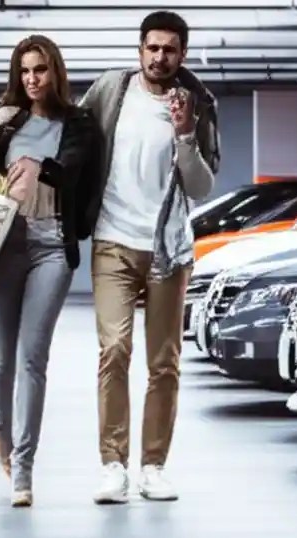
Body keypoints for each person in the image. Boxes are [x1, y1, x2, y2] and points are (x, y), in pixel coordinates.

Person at [77, 11, 221, 504]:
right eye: (152, 48)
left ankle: (153, 466)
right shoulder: (110, 91)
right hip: (113, 240)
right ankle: (113, 465)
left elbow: (200, 187)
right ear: (140, 49)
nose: (160, 57)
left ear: (182, 54)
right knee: (114, 350)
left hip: (168, 249)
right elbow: (71, 138)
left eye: (169, 50)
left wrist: (185, 133)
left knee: (164, 363)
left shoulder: (197, 105)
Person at [0, 35, 103, 508]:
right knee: (2, 359)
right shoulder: (3, 118)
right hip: (3, 243)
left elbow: (73, 173)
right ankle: (0, 430)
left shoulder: (79, 124)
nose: (32, 79)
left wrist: (37, 166)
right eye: (24, 71)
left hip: (52, 246)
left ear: (54, 71)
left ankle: (23, 470)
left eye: (40, 69)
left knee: (32, 359)